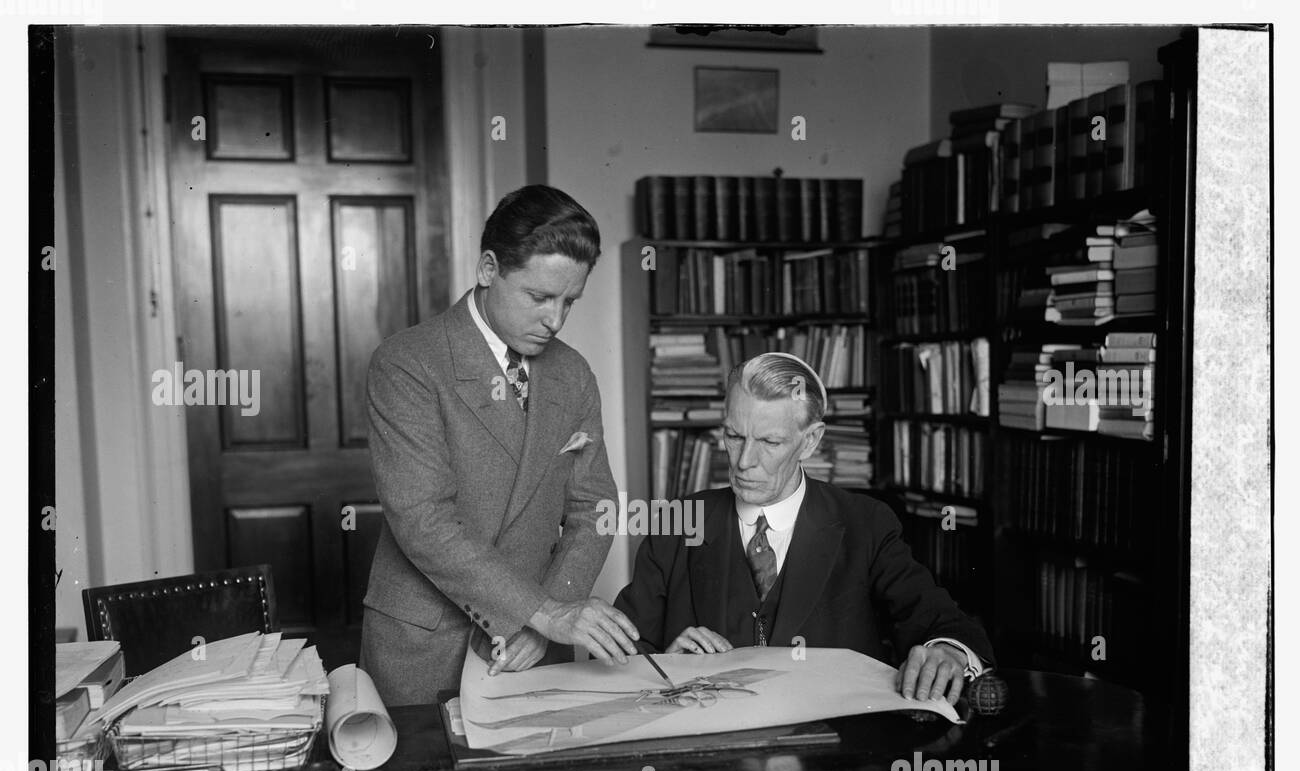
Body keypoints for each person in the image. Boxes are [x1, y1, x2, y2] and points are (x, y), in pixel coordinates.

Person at [361, 185, 639, 706]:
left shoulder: (572, 373)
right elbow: (424, 522)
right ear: (489, 269)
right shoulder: (407, 363)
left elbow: (594, 508)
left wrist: (545, 618)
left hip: (538, 646)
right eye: (539, 297)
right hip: (424, 642)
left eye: (569, 301)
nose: (554, 320)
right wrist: (540, 611)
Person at [613, 352, 994, 705]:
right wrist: (666, 669)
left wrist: (949, 653)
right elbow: (622, 660)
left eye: (769, 441)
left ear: (810, 441)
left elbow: (941, 621)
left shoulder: (867, 524)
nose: (745, 461)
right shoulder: (675, 522)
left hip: (831, 757)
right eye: (733, 436)